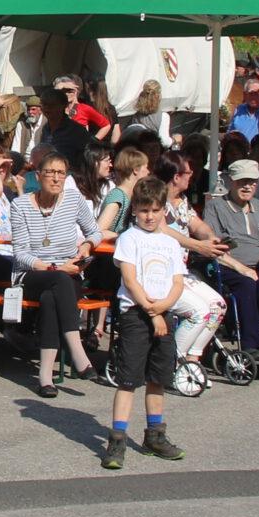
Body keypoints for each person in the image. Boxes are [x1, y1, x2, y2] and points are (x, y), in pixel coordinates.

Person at [103, 177, 190, 471]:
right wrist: (152, 313)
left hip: (162, 313)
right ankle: (117, 439)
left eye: (154, 210)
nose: (149, 216)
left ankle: (155, 434)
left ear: (163, 210)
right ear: (135, 212)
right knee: (129, 379)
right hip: (137, 315)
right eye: (143, 211)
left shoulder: (170, 243)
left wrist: (164, 308)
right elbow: (130, 279)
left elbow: (178, 282)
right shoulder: (129, 238)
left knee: (158, 378)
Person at [9, 150, 102, 393]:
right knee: (58, 280)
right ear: (38, 176)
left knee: (52, 297)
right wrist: (55, 268)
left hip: (69, 271)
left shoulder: (74, 199)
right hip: (33, 272)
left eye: (61, 173)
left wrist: (86, 245)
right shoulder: (20, 205)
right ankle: (78, 352)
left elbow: (95, 231)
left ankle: (45, 378)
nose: (56, 178)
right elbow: (21, 253)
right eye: (50, 172)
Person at [205, 158, 259, 366]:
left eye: (252, 182)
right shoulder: (216, 207)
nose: (248, 186)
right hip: (229, 266)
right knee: (247, 284)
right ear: (231, 181)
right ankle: (251, 345)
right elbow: (213, 244)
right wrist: (239, 266)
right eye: (242, 182)